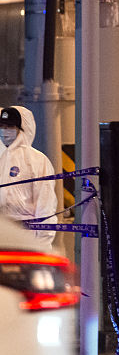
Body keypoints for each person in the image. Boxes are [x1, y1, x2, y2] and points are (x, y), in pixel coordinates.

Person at [0, 106, 58, 249]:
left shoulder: (37, 160)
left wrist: (43, 245)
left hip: (26, 237)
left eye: (10, 126)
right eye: (2, 126)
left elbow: (46, 206)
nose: (4, 131)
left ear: (22, 129)